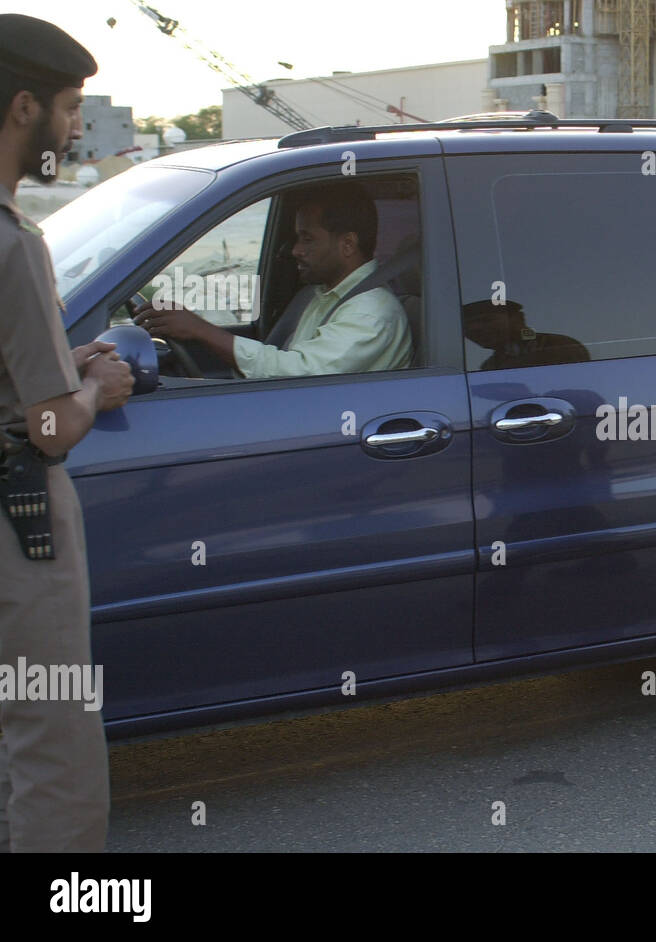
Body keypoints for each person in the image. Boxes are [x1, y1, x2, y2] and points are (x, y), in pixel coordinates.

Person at [0, 14, 135, 852]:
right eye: (69, 106)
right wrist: (96, 382)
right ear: (23, 109)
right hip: (19, 525)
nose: (77, 125)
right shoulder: (15, 247)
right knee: (52, 739)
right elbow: (48, 428)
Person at [137, 181, 412, 377]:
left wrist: (200, 330)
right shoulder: (324, 295)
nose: (295, 251)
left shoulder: (370, 313)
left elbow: (297, 374)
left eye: (308, 239)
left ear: (348, 244)